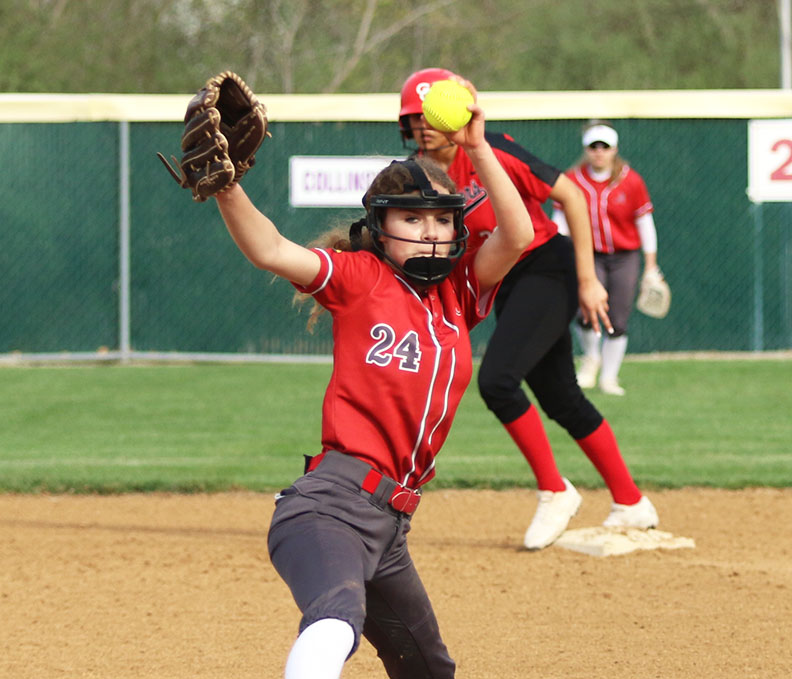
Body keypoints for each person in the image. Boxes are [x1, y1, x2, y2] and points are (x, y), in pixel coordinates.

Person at [213, 77, 533, 679]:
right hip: (328, 509)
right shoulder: (361, 279)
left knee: (429, 669)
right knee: (336, 618)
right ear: (381, 227)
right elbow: (271, 250)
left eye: (442, 220)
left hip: (390, 528)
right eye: (413, 218)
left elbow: (518, 236)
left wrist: (477, 147)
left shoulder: (459, 296)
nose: (431, 232)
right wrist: (227, 187)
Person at [398, 68, 659, 552]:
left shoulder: (493, 149)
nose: (425, 125)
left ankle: (555, 490)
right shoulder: (415, 175)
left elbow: (572, 197)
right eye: (416, 117)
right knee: (561, 397)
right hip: (506, 283)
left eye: (433, 115)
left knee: (497, 381)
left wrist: (587, 279)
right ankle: (631, 501)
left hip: (547, 266)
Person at [552, 120, 662, 396]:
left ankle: (609, 377)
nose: (599, 152)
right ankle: (591, 358)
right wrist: (560, 255)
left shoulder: (630, 180)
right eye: (594, 146)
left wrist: (650, 266)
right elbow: (560, 222)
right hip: (588, 255)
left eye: (604, 146)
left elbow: (645, 223)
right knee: (586, 311)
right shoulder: (572, 180)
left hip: (624, 256)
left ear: (614, 149)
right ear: (586, 149)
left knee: (618, 318)